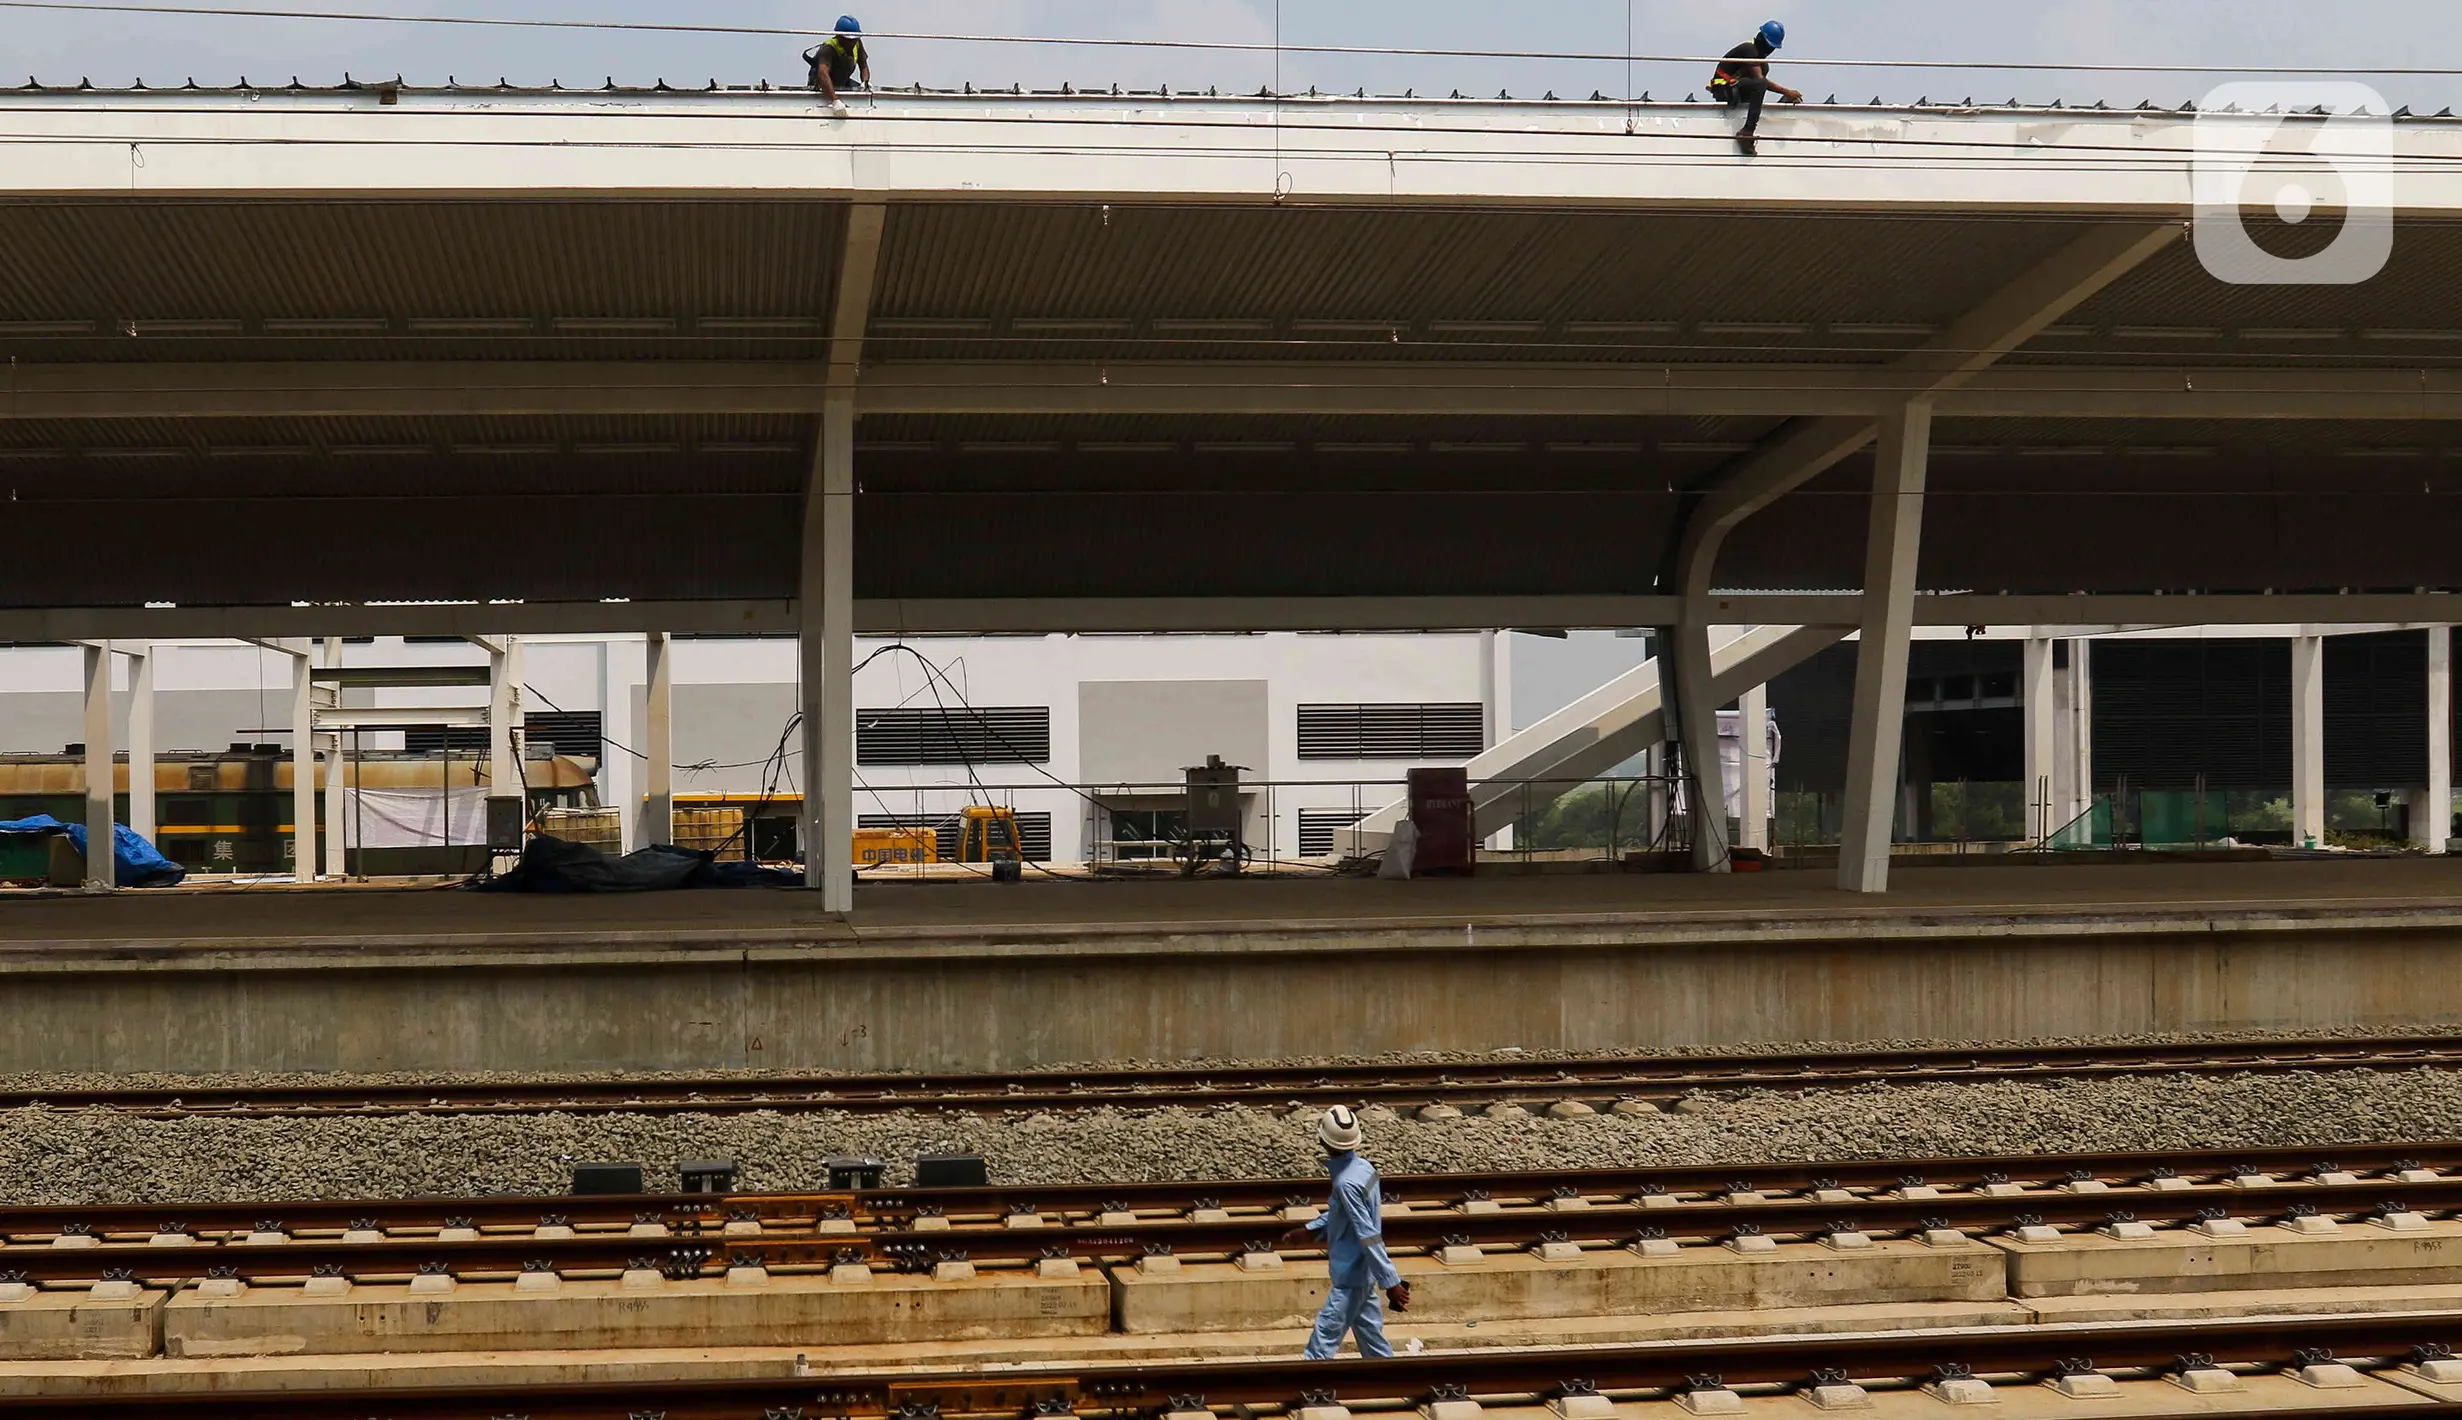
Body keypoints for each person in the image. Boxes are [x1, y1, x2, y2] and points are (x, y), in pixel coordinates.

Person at [1279, 1105, 1412, 1359]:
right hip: (1362, 1275)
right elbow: (1347, 1216)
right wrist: (1310, 1230)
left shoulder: (1346, 1183)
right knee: (1373, 1342)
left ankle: (1312, 1392)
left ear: (1322, 1141)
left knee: (1322, 1341)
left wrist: (1391, 1282)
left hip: (1350, 1277)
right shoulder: (1364, 1168)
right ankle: (1393, 1383)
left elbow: (1367, 1233)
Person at [1710, 20, 1802, 155]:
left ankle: (1748, 122)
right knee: (1760, 84)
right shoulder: (1749, 49)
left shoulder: (1761, 62)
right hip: (1724, 89)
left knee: (1761, 79)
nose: (1769, 50)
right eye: (1769, 46)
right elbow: (1759, 81)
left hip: (1735, 90)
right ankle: (1747, 131)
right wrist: (1786, 92)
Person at [806, 15, 872, 113]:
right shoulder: (828, 48)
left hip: (842, 81)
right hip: (822, 84)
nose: (852, 42)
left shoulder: (857, 43)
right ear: (839, 36)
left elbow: (863, 66)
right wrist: (835, 101)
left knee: (861, 94)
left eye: (854, 39)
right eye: (848, 39)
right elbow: (822, 74)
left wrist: (865, 82)